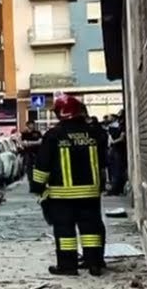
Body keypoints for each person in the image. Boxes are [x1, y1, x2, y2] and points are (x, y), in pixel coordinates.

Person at [30, 94, 108, 276]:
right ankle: (94, 263)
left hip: (62, 195)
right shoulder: (94, 133)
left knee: (65, 231)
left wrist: (38, 187)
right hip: (90, 193)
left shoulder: (54, 135)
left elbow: (43, 164)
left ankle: (68, 266)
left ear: (61, 113)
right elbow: (104, 161)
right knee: (91, 229)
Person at [106, 113, 127, 195]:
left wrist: (113, 142)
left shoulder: (120, 126)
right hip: (112, 149)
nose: (109, 118)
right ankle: (115, 188)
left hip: (117, 149)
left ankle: (116, 189)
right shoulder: (112, 126)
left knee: (117, 169)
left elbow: (122, 138)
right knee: (113, 169)